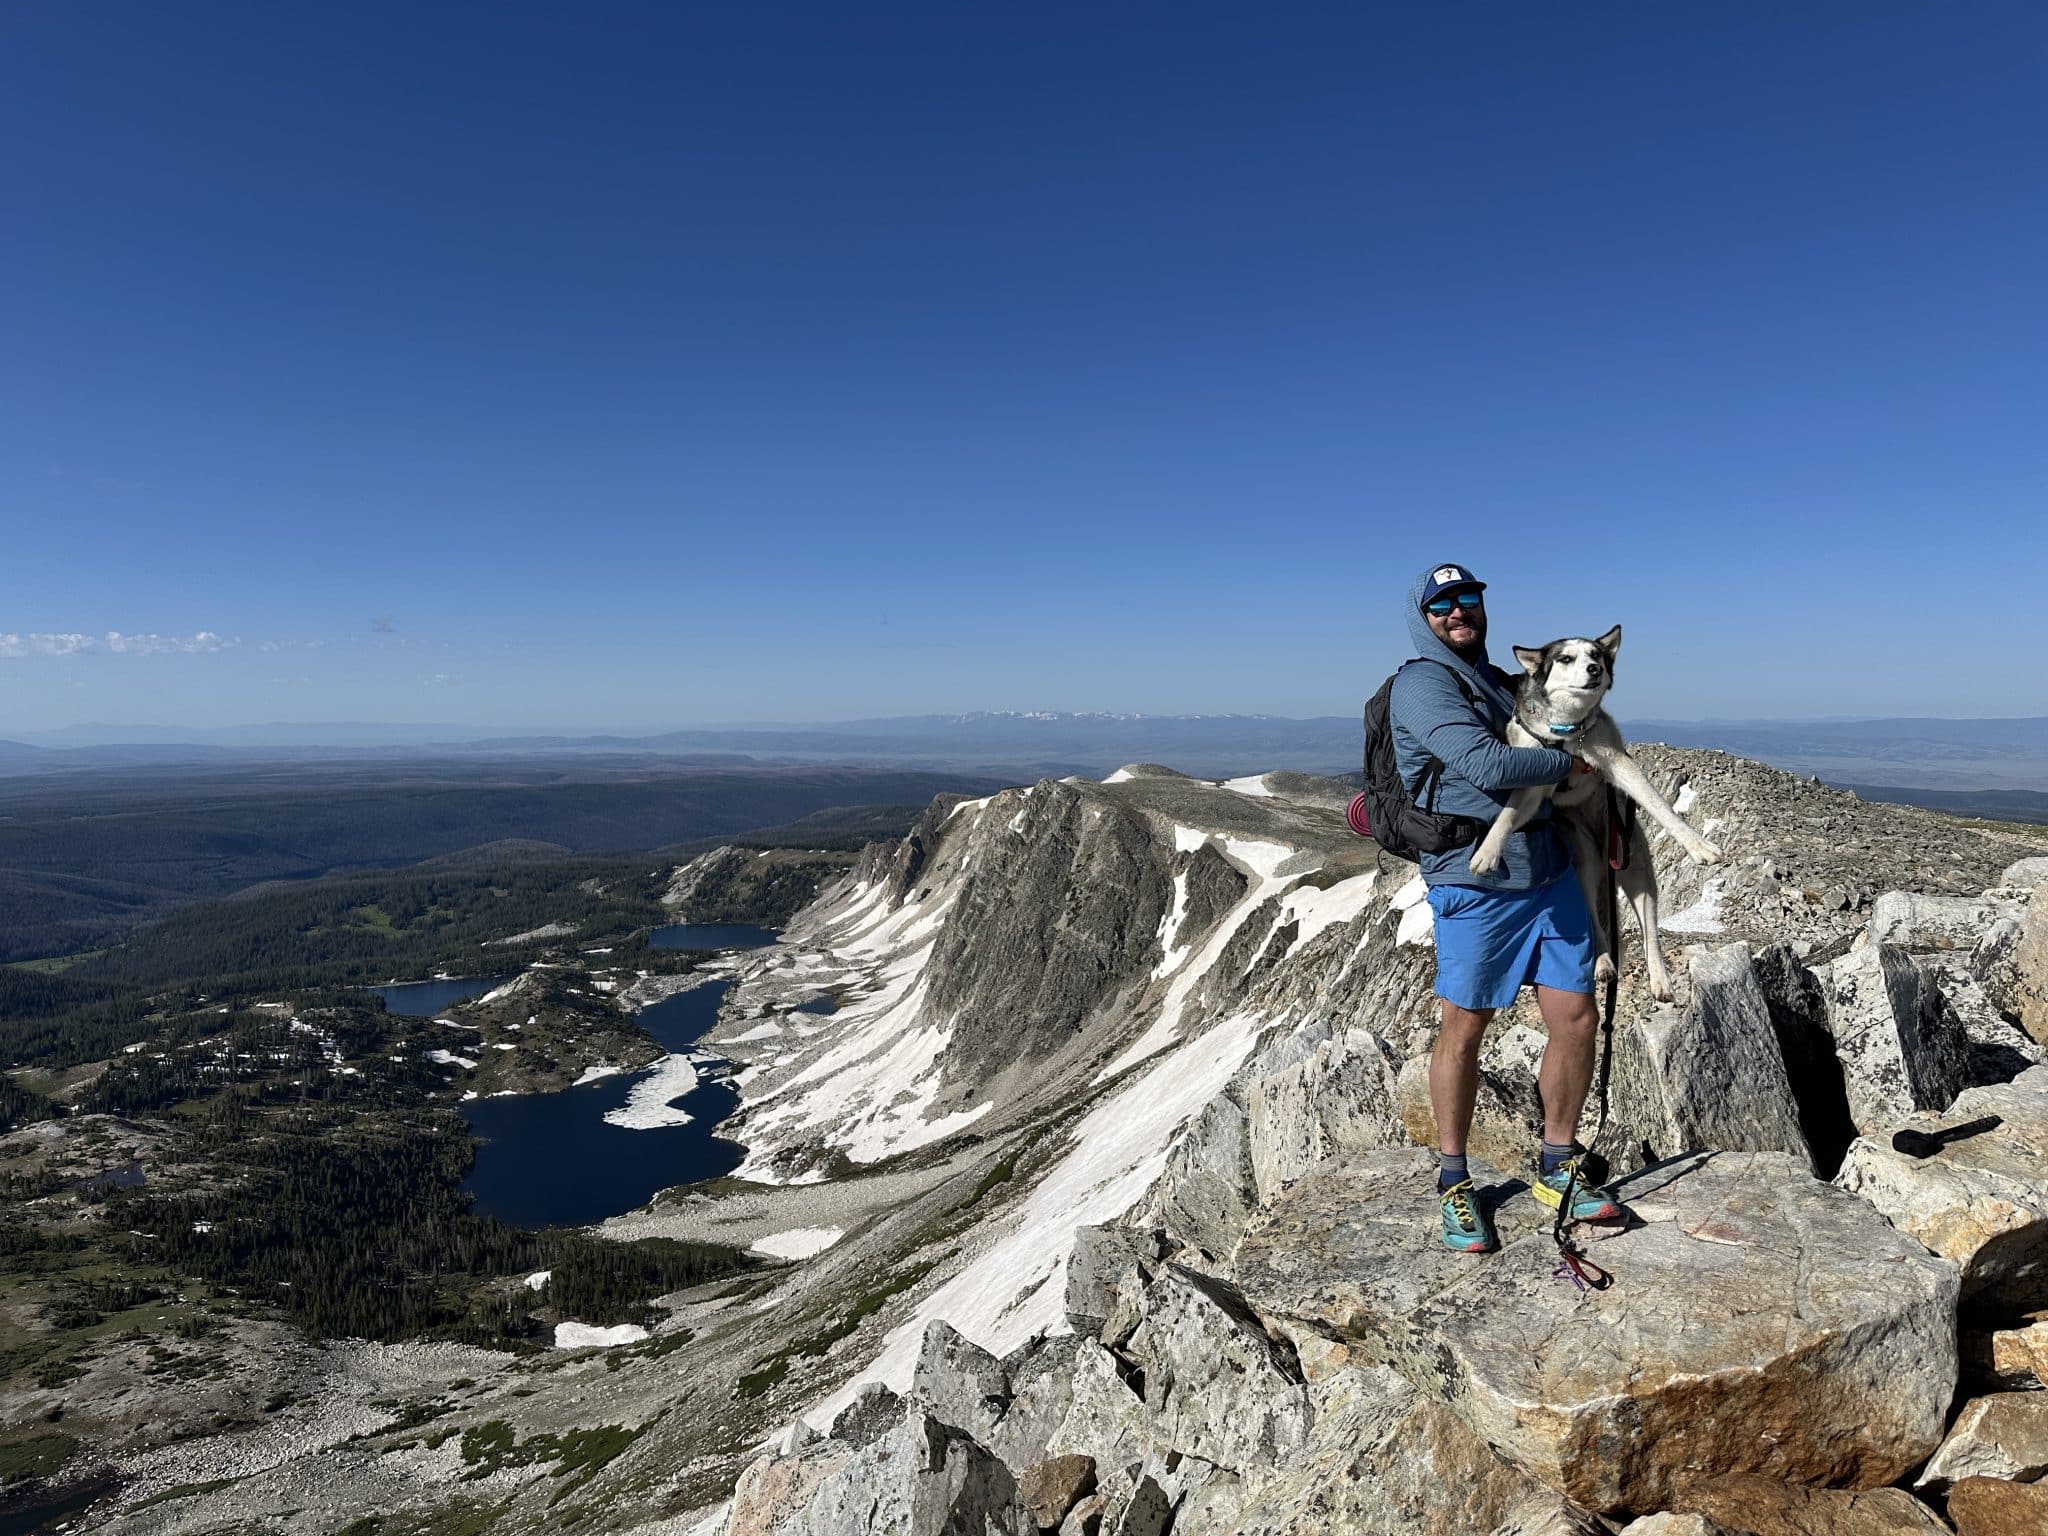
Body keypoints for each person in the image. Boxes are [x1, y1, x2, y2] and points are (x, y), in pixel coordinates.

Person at [1388, 561, 1625, 1252]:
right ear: (1423, 617)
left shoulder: (1498, 683)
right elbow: (1487, 768)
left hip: (1547, 870)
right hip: (1473, 880)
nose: (1459, 611)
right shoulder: (1422, 685)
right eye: (1443, 605)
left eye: (1469, 599)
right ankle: (1455, 1182)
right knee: (1464, 1026)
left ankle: (1558, 1164)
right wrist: (1577, 767)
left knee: (1576, 1017)